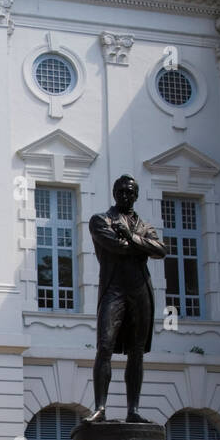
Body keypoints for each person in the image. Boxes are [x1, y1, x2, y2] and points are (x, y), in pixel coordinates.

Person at [85, 175, 167, 424]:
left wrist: (131, 237)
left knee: (137, 352)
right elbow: (116, 247)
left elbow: (161, 250)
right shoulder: (100, 220)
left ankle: (133, 411)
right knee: (105, 346)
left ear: (136, 195)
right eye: (120, 191)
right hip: (114, 289)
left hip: (141, 291)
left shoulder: (143, 225)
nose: (125, 195)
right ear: (114, 193)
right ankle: (100, 408)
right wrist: (141, 246)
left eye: (129, 192)